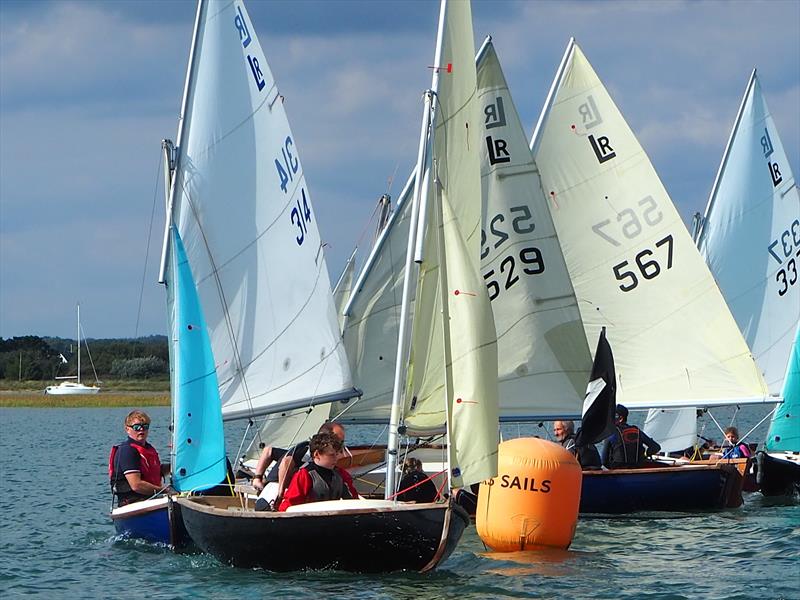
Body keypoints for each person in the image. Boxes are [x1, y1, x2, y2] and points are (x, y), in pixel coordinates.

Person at [252, 421, 346, 511]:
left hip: (292, 487)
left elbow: (270, 451)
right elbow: (285, 463)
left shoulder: (315, 454)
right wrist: (281, 491)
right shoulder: (306, 450)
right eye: (339, 441)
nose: (340, 445)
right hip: (276, 486)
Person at [277, 431, 359, 511]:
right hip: (310, 519)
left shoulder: (341, 474)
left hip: (334, 518)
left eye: (337, 454)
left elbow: (353, 500)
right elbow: (288, 505)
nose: (336, 458)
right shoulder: (305, 475)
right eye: (331, 455)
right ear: (316, 454)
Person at [109, 410, 170, 506]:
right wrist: (165, 491)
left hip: (151, 498)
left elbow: (156, 471)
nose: (141, 430)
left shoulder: (148, 448)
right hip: (132, 503)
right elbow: (136, 485)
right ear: (127, 429)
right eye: (137, 427)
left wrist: (177, 466)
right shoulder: (127, 451)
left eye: (145, 427)